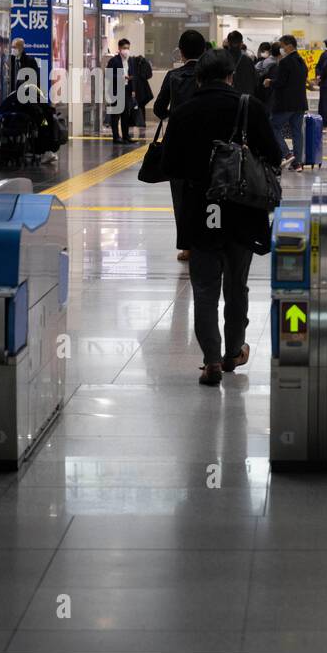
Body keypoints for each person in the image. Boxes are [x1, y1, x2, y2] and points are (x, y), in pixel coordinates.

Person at [158, 49, 282, 386]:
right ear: (230, 76)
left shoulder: (183, 113)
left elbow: (169, 166)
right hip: (242, 209)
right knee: (236, 285)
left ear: (199, 78)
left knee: (204, 288)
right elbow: (274, 153)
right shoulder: (248, 107)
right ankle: (233, 353)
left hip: (200, 211)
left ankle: (211, 361)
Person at [154, 29, 207, 263]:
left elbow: (158, 109)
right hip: (205, 145)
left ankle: (187, 248)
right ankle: (206, 240)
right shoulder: (208, 76)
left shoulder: (173, 76)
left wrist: (173, 116)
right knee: (206, 194)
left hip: (177, 145)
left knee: (181, 197)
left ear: (181, 51)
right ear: (204, 50)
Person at [265, 34, 307, 171]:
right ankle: (298, 163)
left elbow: (281, 83)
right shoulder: (302, 61)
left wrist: (269, 82)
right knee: (297, 132)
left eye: (282, 46)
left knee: (272, 126)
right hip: (300, 104)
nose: (281, 49)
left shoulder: (285, 62)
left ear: (289, 46)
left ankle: (287, 154)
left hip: (286, 104)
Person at [104, 39, 141, 144]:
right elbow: (108, 75)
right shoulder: (113, 61)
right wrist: (121, 77)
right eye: (124, 48)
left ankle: (126, 136)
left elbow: (132, 75)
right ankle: (116, 137)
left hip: (126, 90)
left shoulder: (130, 60)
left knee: (126, 114)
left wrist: (133, 89)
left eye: (128, 48)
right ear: (119, 48)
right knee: (116, 115)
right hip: (116, 90)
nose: (126, 50)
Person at [223, 30, 257, 97]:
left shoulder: (221, 58)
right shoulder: (248, 60)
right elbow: (255, 81)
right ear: (241, 43)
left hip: (226, 96)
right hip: (244, 98)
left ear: (228, 43)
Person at [9, 38, 42, 103]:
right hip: (12, 95)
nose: (12, 49)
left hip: (26, 96)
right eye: (12, 47)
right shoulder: (9, 61)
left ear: (21, 47)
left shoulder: (30, 61)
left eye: (14, 47)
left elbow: (36, 80)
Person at [313, 37, 327, 125]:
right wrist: (321, 76)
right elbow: (325, 68)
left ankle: (322, 119)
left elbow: (317, 66)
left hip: (323, 82)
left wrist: (318, 76)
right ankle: (326, 121)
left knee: (322, 101)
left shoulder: (323, 54)